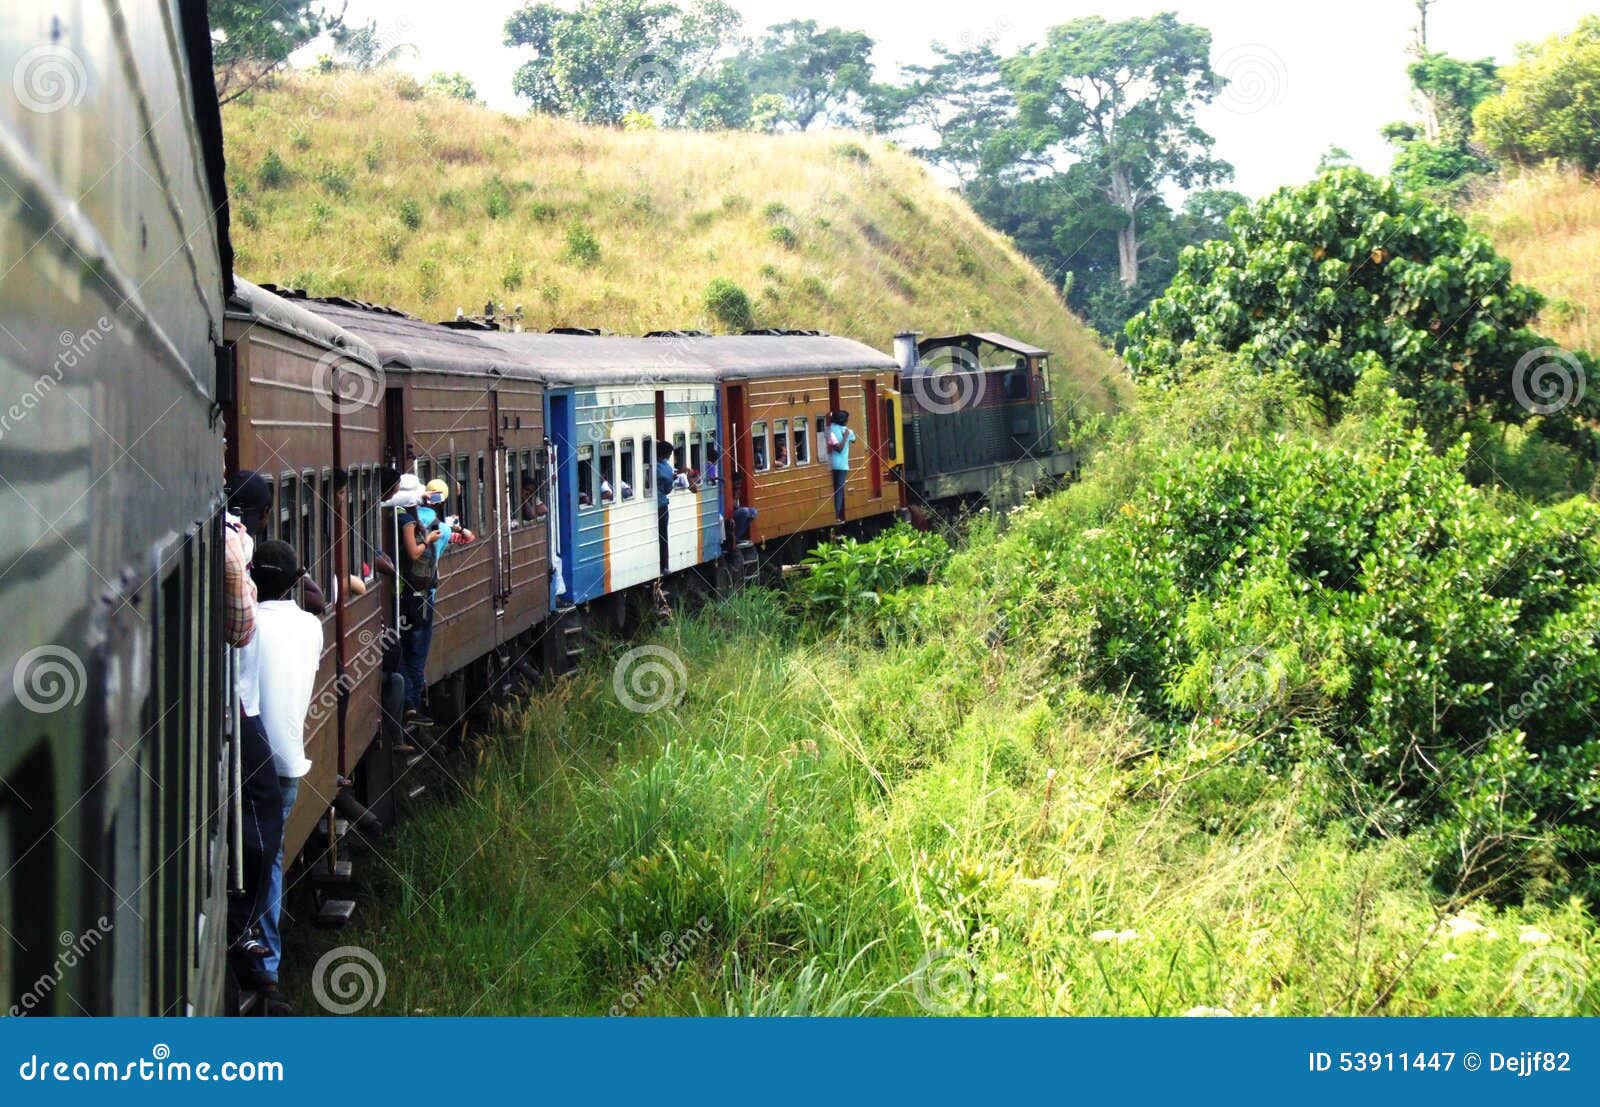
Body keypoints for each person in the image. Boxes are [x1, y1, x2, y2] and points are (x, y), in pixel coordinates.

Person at [248, 539, 322, 1011]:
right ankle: (267, 963)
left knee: (255, 860)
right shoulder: (311, 628)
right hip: (289, 763)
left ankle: (258, 956)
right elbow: (316, 600)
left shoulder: (248, 624)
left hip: (251, 761)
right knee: (270, 858)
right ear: (295, 581)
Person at [222, 471, 285, 995]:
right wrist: (243, 564)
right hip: (237, 706)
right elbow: (241, 629)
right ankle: (242, 928)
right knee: (264, 813)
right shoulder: (232, 542)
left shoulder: (233, 539)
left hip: (243, 702)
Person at [395, 474, 441, 727]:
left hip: (405, 597)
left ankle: (411, 702)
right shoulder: (407, 520)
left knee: (405, 649)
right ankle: (412, 704)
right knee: (415, 653)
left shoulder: (394, 515)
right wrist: (429, 540)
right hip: (415, 597)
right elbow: (414, 553)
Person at [827, 409, 856, 522]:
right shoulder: (847, 431)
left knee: (832, 489)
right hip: (841, 466)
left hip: (830, 464)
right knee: (838, 490)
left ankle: (834, 513)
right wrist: (845, 436)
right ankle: (837, 515)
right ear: (844, 421)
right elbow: (840, 448)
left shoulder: (830, 429)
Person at [655, 441, 676, 575]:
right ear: (667, 454)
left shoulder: (651, 464)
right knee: (663, 536)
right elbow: (668, 488)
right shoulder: (665, 468)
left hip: (648, 506)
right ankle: (664, 566)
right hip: (661, 505)